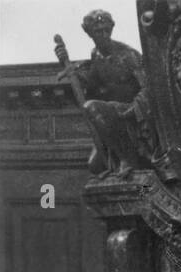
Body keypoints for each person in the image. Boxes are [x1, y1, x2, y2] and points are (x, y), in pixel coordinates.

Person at [54, 9, 157, 177]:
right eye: (98, 31)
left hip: (133, 113)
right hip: (112, 116)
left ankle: (128, 160)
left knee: (91, 107)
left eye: (106, 30)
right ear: (88, 32)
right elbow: (91, 88)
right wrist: (67, 65)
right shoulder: (96, 56)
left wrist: (134, 108)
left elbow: (149, 88)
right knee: (95, 165)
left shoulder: (128, 55)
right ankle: (127, 179)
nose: (103, 34)